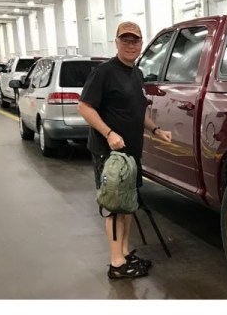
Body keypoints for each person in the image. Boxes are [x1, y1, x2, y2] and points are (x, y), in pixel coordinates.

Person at [79, 21, 173, 280]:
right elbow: (85, 107)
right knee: (114, 206)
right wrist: (109, 133)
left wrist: (156, 131)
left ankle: (125, 252)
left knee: (128, 203)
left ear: (141, 45)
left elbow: (137, 112)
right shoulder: (104, 73)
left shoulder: (136, 73)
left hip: (131, 153)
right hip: (108, 154)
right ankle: (116, 264)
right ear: (116, 42)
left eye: (135, 41)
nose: (130, 45)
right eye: (125, 40)